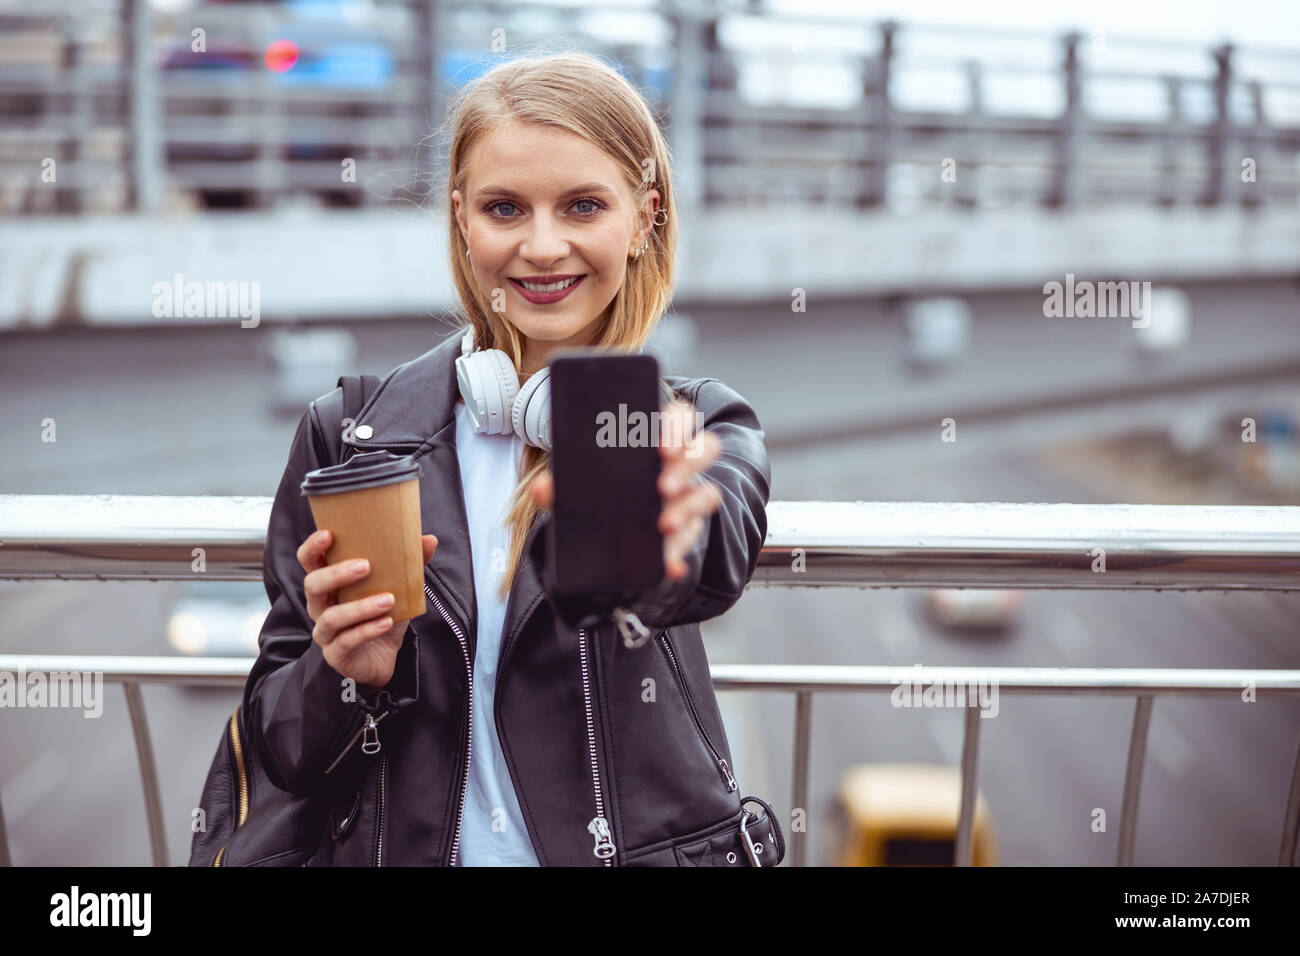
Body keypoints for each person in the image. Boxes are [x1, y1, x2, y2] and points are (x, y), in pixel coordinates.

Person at [244, 52, 773, 866]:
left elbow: (709, 552)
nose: (543, 245)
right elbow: (282, 744)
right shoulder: (349, 434)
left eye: (584, 205)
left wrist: (650, 540)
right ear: (462, 220)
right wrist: (348, 674)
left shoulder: (691, 423)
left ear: (644, 220)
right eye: (504, 208)